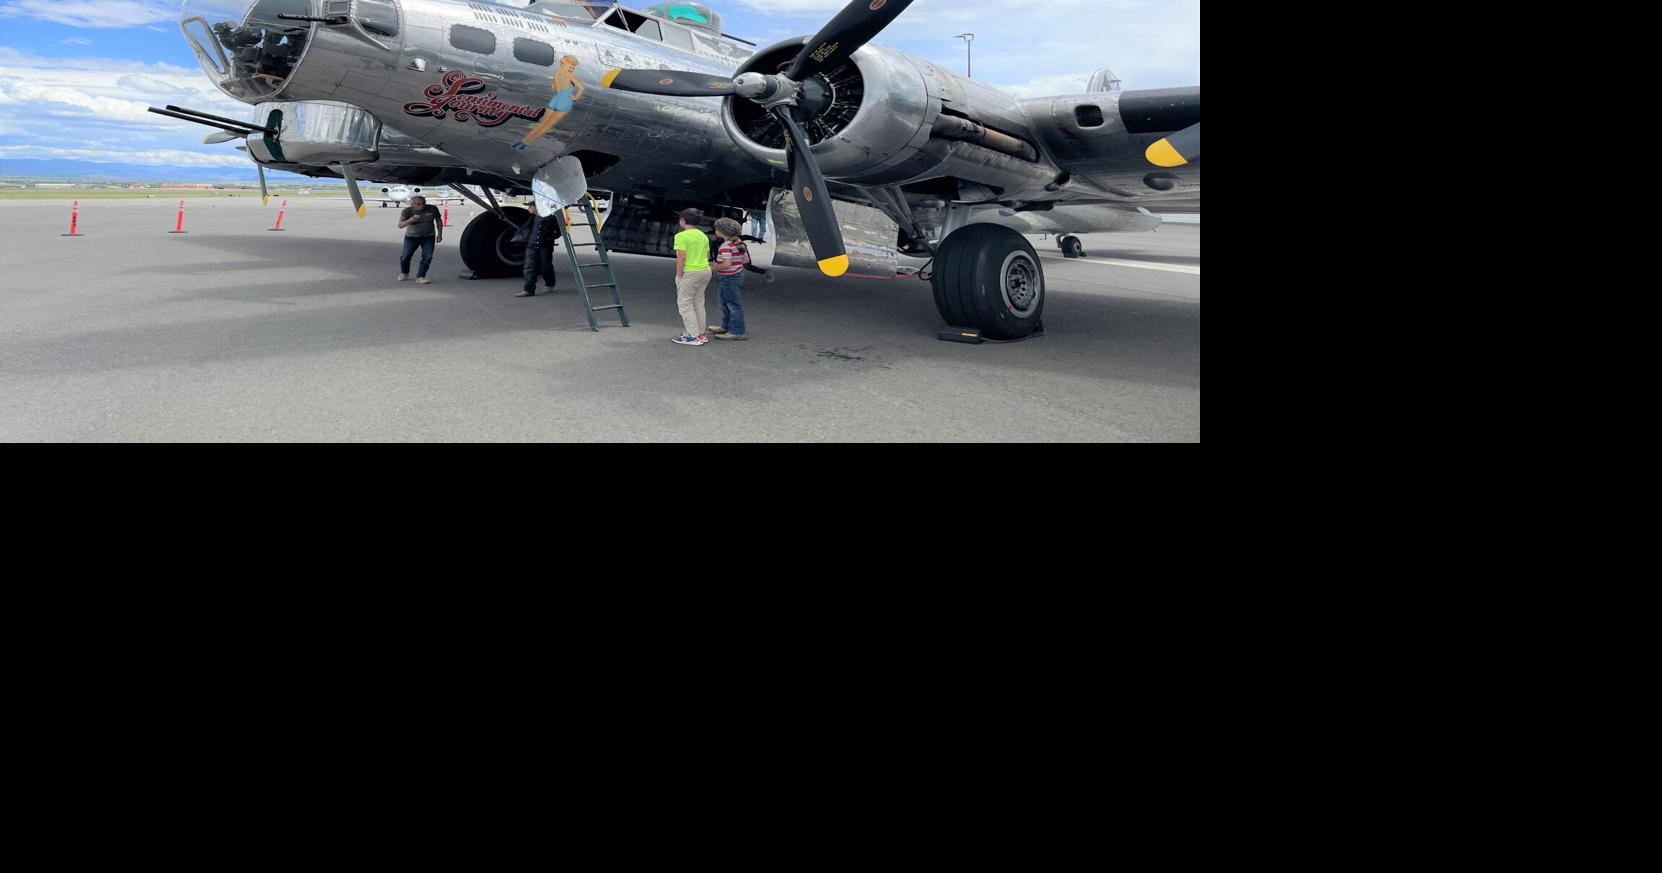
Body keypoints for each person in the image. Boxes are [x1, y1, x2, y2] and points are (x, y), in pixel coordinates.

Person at [514, 56, 586, 150]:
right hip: (565, 102)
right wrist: (575, 97)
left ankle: (523, 140)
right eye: (570, 67)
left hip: (555, 99)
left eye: (573, 68)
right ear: (563, 65)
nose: (571, 69)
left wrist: (561, 94)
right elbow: (582, 88)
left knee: (541, 124)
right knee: (547, 126)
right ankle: (526, 144)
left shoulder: (556, 74)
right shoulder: (570, 76)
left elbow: (555, 89)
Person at [672, 208, 712, 346]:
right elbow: (708, 256)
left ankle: (693, 336)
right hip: (705, 271)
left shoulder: (681, 236)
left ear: (683, 220)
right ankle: (700, 333)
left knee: (685, 304)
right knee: (698, 302)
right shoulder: (703, 236)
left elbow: (681, 257)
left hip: (690, 272)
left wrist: (678, 275)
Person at [707, 217, 750, 341]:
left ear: (721, 231)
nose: (715, 231)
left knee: (732, 304)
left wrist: (712, 269)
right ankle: (726, 326)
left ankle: (737, 332)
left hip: (729, 278)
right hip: (735, 276)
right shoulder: (739, 243)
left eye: (716, 229)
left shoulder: (726, 246)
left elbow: (726, 264)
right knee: (724, 303)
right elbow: (745, 260)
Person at [517, 204, 560, 298]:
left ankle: (549, 283)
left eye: (530, 206)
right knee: (529, 267)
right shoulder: (532, 217)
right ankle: (528, 290)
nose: (528, 208)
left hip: (545, 246)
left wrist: (550, 238)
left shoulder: (551, 218)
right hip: (531, 245)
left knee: (545, 266)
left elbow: (559, 231)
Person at [397, 195, 443, 284]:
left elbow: (438, 220)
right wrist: (410, 220)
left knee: (428, 257)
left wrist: (440, 234)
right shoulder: (407, 211)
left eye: (423, 204)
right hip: (411, 237)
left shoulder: (432, 209)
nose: (422, 206)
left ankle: (420, 276)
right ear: (412, 204)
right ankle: (404, 272)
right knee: (405, 256)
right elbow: (400, 225)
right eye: (418, 204)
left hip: (428, 237)